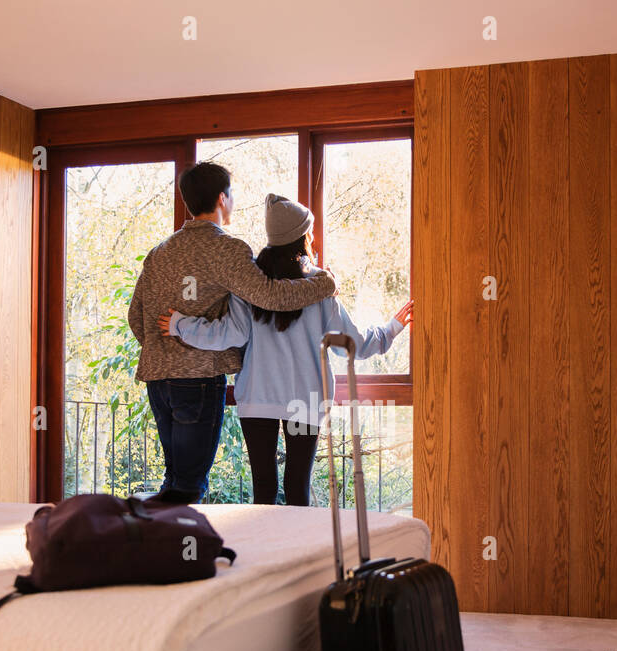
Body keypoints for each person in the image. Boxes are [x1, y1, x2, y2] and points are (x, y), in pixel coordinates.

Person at [160, 194, 412, 507]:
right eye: (310, 231)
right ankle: (299, 555)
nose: (313, 237)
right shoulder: (320, 286)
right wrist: (391, 329)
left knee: (263, 493)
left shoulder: (250, 284)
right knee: (297, 493)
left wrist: (180, 325)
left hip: (258, 397)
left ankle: (267, 555)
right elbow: (354, 346)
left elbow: (228, 333)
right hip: (305, 400)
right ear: (301, 238)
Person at [127, 162, 336, 504]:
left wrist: (164, 351)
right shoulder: (227, 248)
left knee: (176, 480)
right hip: (196, 380)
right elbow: (272, 296)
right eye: (233, 195)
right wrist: (324, 283)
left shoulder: (159, 252)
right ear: (222, 198)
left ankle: (161, 546)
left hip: (157, 380)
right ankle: (175, 553)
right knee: (189, 486)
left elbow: (136, 316)